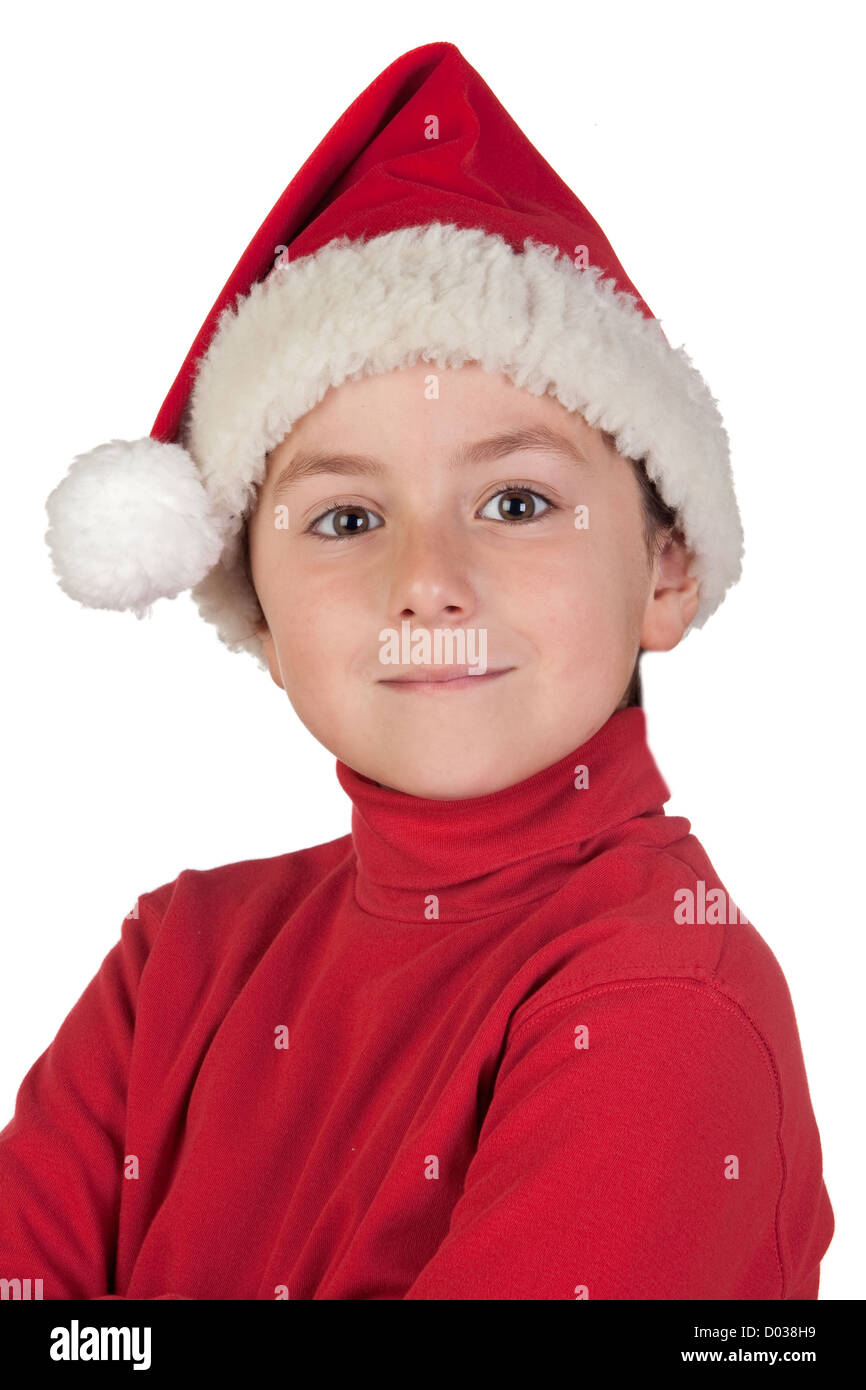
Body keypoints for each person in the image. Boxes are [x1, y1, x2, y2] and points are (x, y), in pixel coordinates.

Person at [2, 40, 832, 1300]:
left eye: (515, 501)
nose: (426, 579)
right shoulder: (173, 960)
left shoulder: (663, 997)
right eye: (346, 519)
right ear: (258, 612)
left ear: (667, 569)